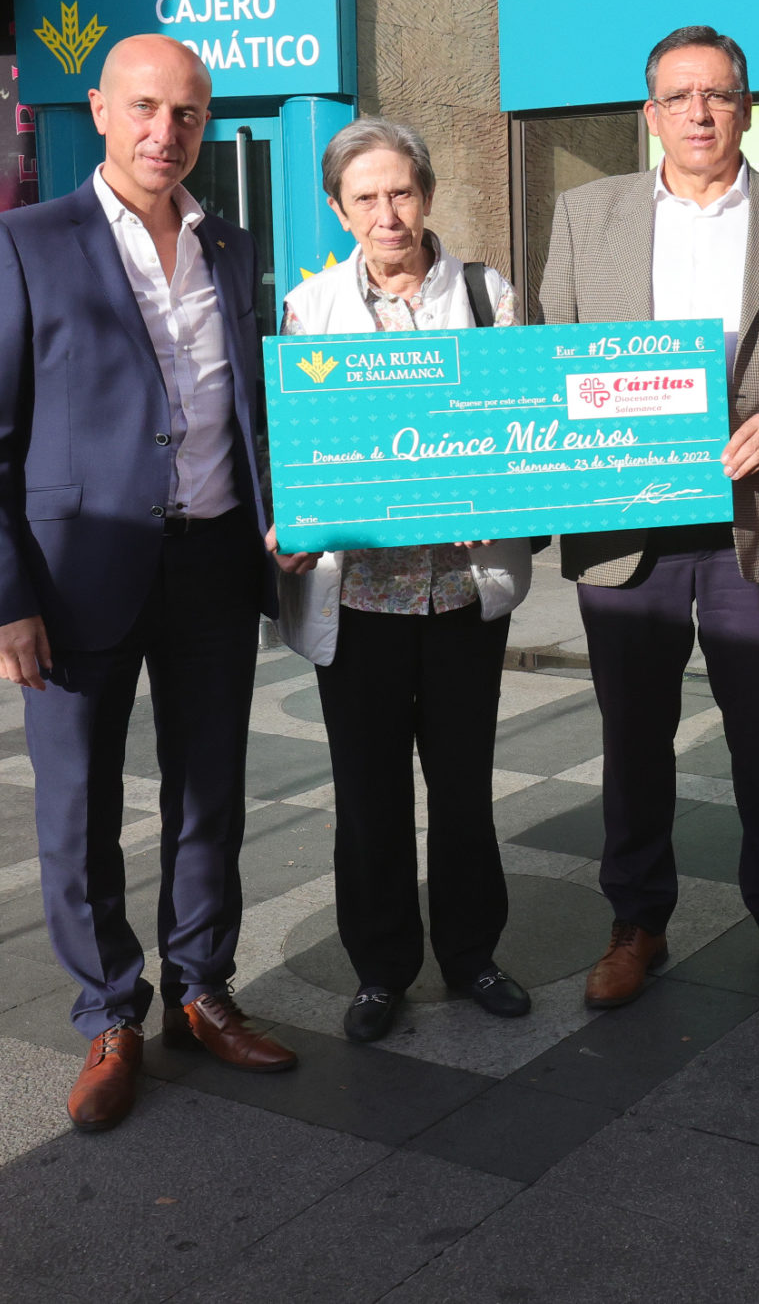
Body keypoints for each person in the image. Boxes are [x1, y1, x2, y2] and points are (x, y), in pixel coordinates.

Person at [0, 35, 295, 1135]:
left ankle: (200, 988)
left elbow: (249, 403)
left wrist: (291, 511)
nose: (164, 134)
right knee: (78, 806)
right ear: (97, 109)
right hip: (74, 572)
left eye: (186, 115)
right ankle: (110, 1012)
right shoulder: (18, 244)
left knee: (209, 794)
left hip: (213, 562)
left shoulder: (229, 243)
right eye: (143, 108)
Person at [537, 26, 759, 1009]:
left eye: (717, 95)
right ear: (649, 114)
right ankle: (635, 922)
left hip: (754, 516)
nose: (698, 112)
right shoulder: (582, 214)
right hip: (626, 520)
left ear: (745, 106)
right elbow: (551, 358)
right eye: (677, 96)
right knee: (632, 737)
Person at [272, 119, 539, 1043]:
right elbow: (300, 441)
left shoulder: (487, 289)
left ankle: (471, 955)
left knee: (463, 786)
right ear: (339, 209)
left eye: (401, 192)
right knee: (370, 794)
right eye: (365, 198)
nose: (387, 214)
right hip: (361, 597)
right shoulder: (310, 311)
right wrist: (293, 523)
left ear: (425, 193)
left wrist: (496, 495)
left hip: (462, 591)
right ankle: (381, 969)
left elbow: (519, 423)